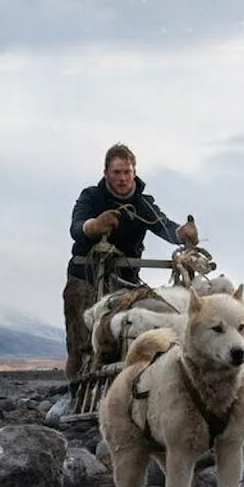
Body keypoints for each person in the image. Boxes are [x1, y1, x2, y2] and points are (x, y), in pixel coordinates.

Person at [62, 143, 198, 380]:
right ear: (106, 173)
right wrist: (93, 226)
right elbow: (76, 227)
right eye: (117, 172)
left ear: (134, 173)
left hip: (125, 282)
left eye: (127, 172)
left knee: (122, 337)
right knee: (81, 342)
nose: (123, 178)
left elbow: (163, 226)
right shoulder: (91, 197)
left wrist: (182, 233)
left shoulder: (143, 204)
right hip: (85, 277)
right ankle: (76, 386)